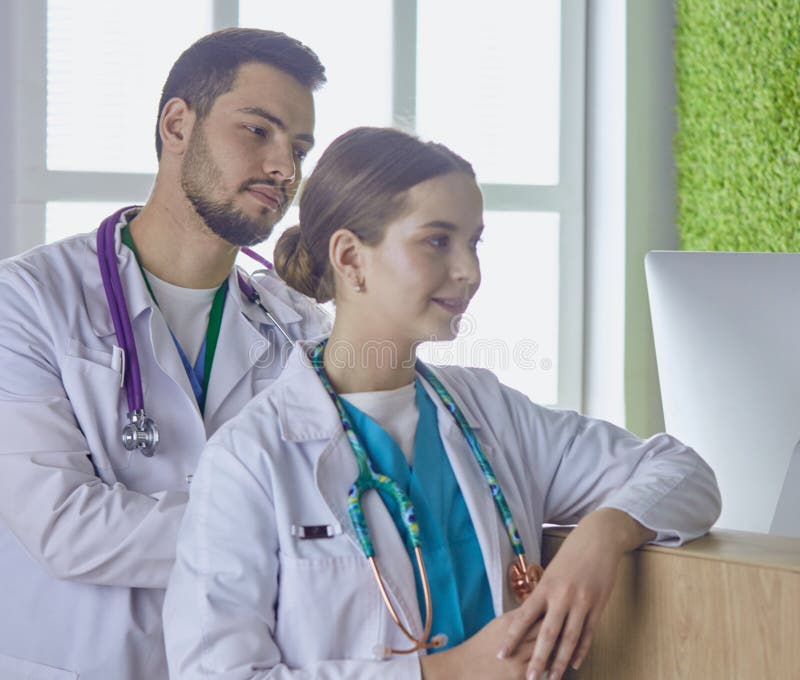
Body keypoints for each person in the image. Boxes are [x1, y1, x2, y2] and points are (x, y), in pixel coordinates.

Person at [163, 127, 721, 680]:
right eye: (438, 241)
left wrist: (601, 537)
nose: (469, 272)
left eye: (474, 242)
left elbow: (683, 473)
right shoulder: (250, 459)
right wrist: (444, 673)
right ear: (351, 258)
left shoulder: (489, 411)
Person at [0, 28, 329, 680]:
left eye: (298, 148)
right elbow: (67, 529)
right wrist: (272, 529)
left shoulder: (297, 328)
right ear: (177, 123)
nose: (284, 168)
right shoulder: (26, 301)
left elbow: (336, 498)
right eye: (258, 131)